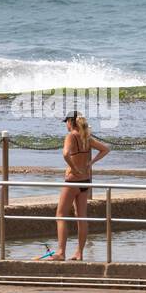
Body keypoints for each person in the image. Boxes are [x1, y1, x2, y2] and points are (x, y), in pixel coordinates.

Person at [51, 111, 109, 261]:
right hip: (85, 181)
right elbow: (105, 149)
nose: (66, 125)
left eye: (66, 122)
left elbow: (65, 154)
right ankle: (79, 253)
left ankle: (61, 252)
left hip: (72, 180)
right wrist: (90, 162)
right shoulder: (85, 137)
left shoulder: (71, 136)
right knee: (81, 217)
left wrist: (73, 168)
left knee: (61, 214)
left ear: (71, 122)